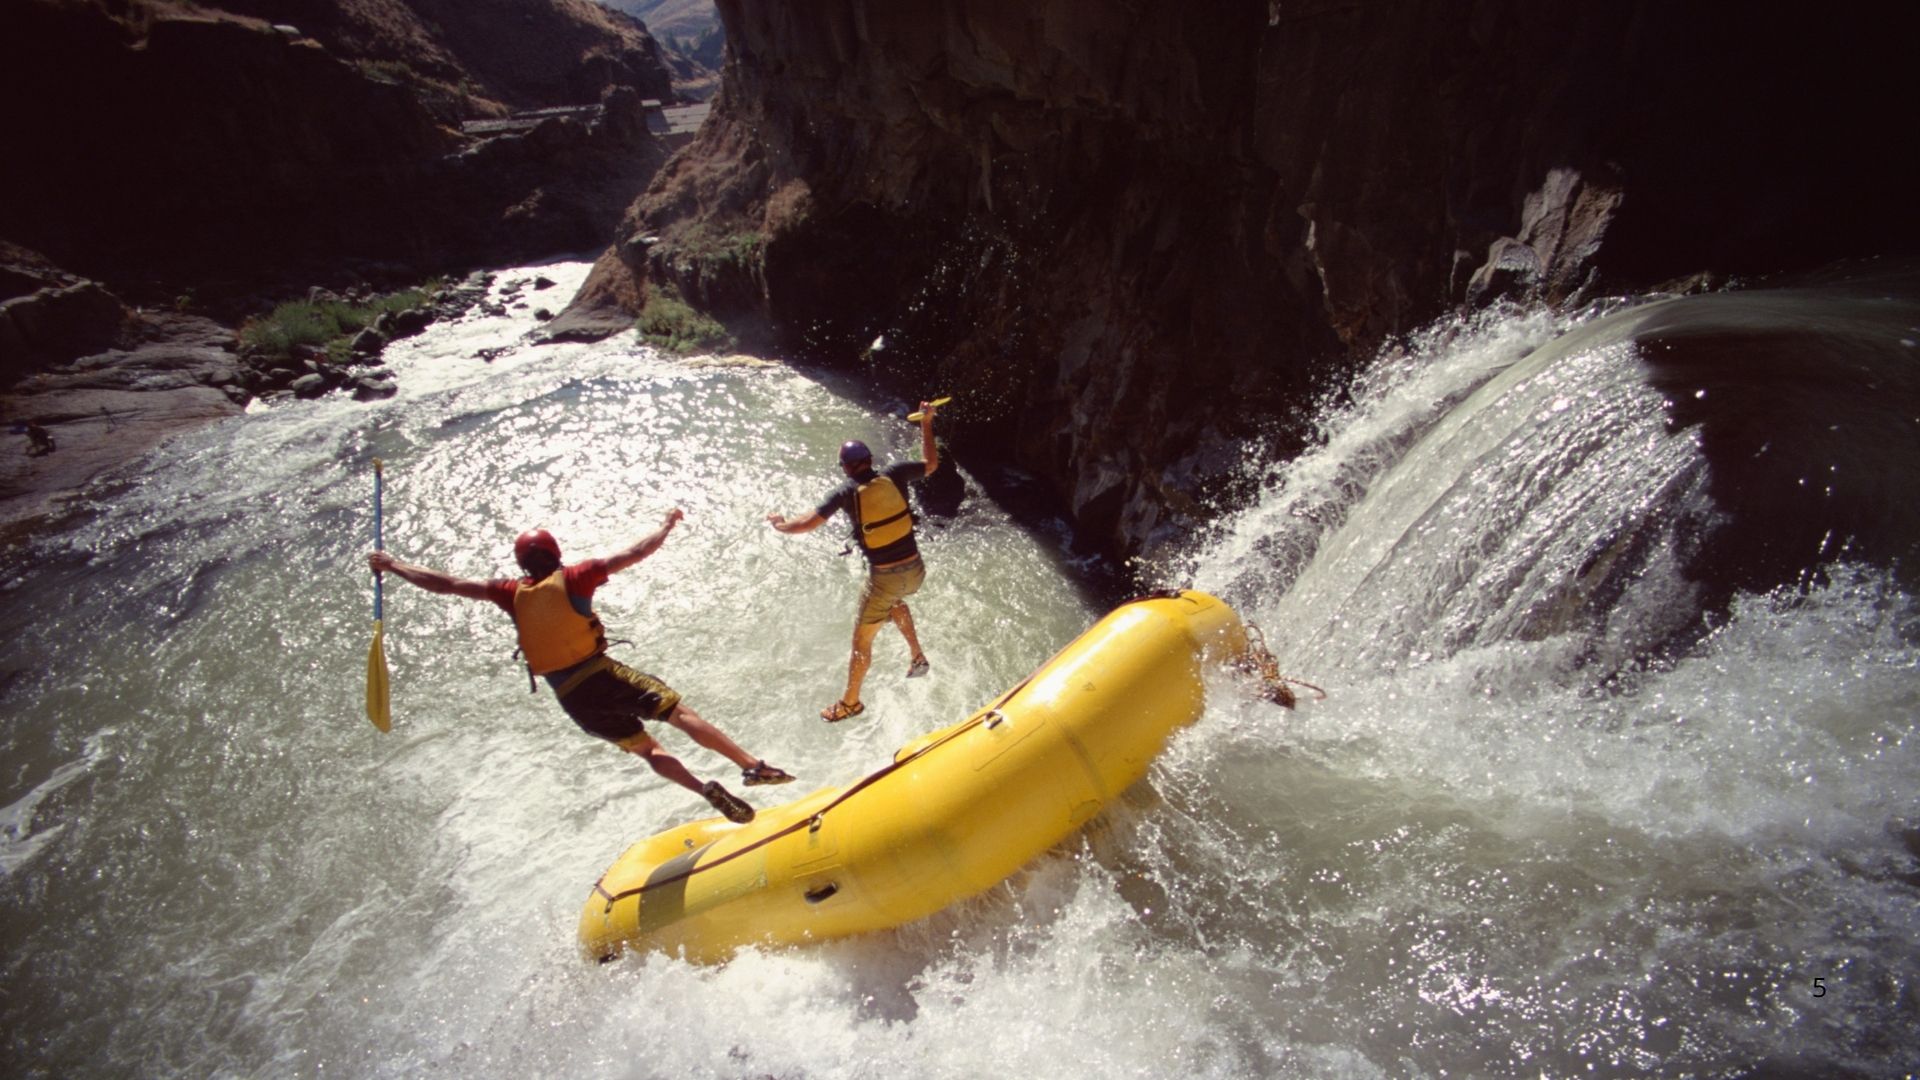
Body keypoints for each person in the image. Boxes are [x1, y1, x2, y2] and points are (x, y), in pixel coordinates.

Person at [367, 509, 792, 823]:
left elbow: (447, 584)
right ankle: (751, 767)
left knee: (648, 749)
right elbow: (635, 552)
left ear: (521, 564)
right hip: (602, 674)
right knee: (679, 714)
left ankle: (703, 789)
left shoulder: (508, 592)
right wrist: (665, 525)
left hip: (570, 698)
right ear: (556, 553)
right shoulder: (574, 578)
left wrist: (394, 564)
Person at [768, 401, 940, 721]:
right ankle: (917, 656)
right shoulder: (896, 474)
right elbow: (931, 463)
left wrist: (779, 523)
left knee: (861, 640)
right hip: (916, 570)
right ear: (870, 461)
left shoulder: (846, 493)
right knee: (894, 602)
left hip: (885, 576)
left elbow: (805, 524)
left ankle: (850, 703)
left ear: (846, 468)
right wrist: (927, 422)